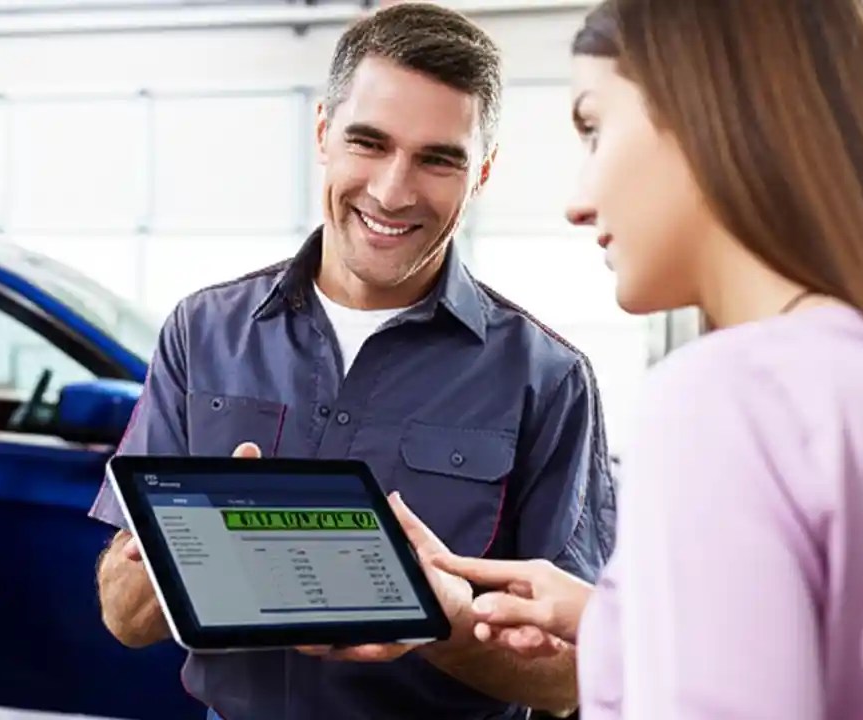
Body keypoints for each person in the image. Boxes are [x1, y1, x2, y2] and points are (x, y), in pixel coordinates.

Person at [89, 3, 617, 719]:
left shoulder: (548, 381)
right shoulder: (203, 331)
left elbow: (575, 680)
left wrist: (435, 620)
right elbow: (124, 619)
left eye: (438, 158)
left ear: (483, 171)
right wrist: (185, 552)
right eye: (368, 143)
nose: (393, 191)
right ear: (323, 135)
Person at [416, 0, 863, 717]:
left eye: (595, 129)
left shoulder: (723, 396)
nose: (578, 200)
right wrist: (622, 626)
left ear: (707, 116)